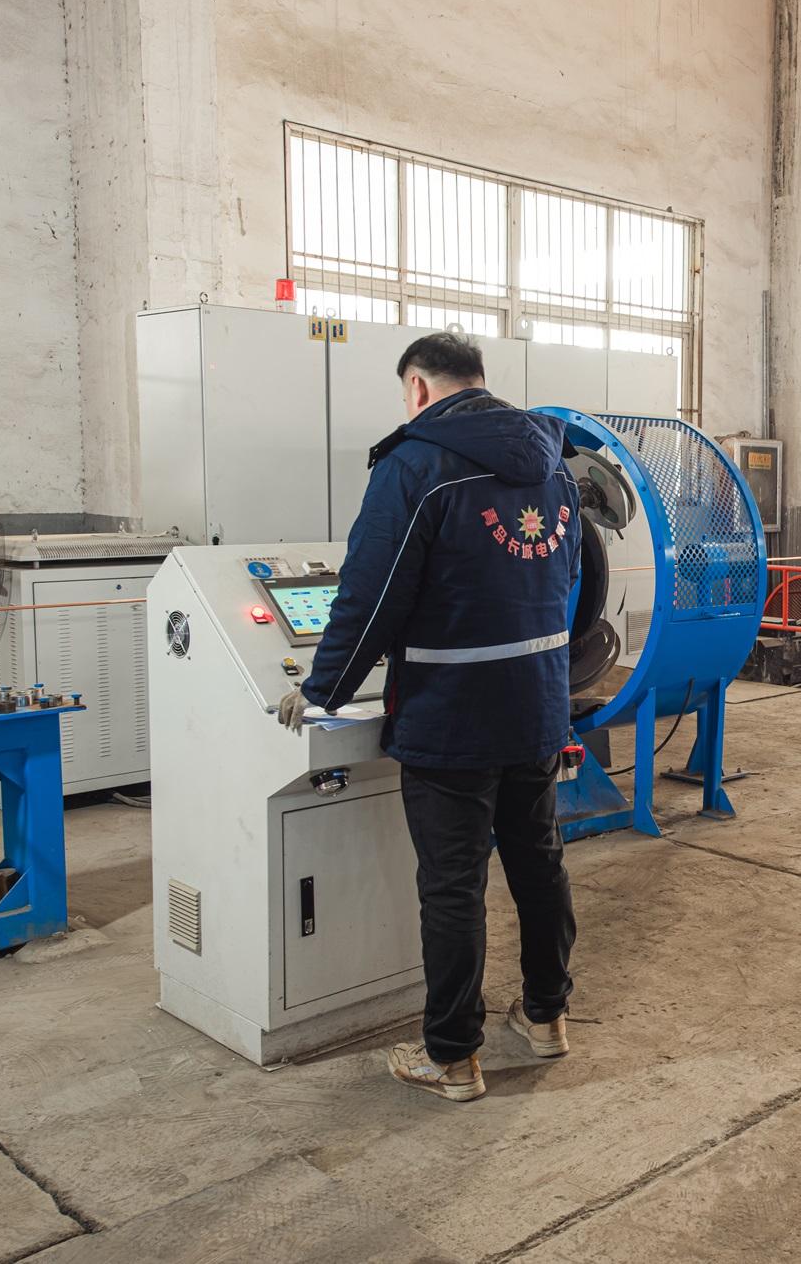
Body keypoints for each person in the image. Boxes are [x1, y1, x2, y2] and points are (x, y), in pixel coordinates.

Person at [279, 331, 580, 1103]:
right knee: (539, 863)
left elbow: (372, 594)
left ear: (417, 387)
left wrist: (323, 689)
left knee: (452, 888)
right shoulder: (553, 463)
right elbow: (568, 579)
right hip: (537, 705)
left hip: (452, 716)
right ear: (479, 379)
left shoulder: (416, 465)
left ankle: (452, 1057)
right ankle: (546, 1018)